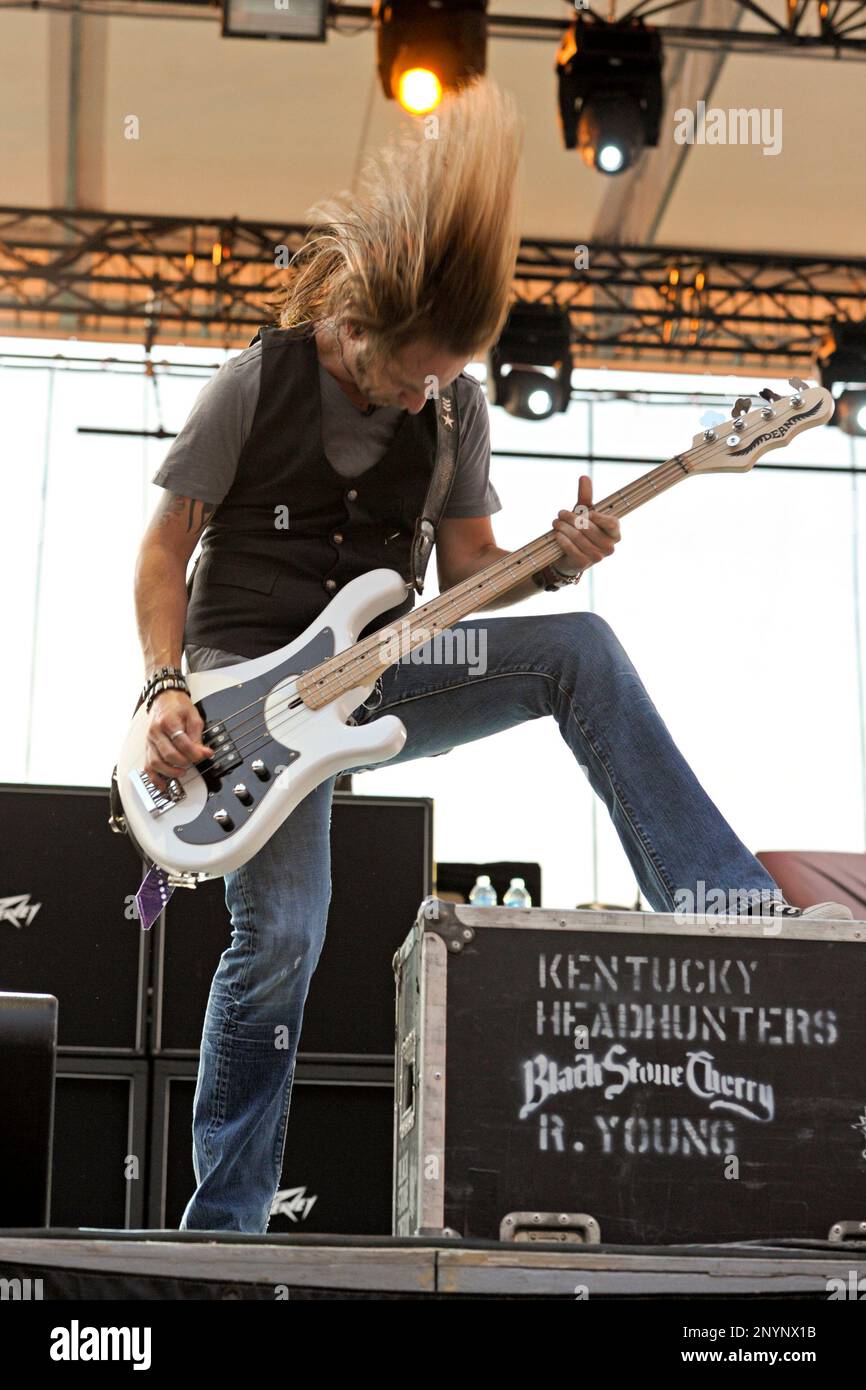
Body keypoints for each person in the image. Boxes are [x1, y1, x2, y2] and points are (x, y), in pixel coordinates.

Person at [133, 79, 851, 1234]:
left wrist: (554, 560)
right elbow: (165, 548)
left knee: (580, 648)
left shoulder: (453, 407)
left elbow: (470, 563)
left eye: (444, 375)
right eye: (413, 371)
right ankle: (223, 1231)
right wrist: (166, 683)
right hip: (243, 684)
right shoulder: (256, 382)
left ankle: (724, 906)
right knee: (281, 938)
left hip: (381, 660)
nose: (429, 391)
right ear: (358, 330)